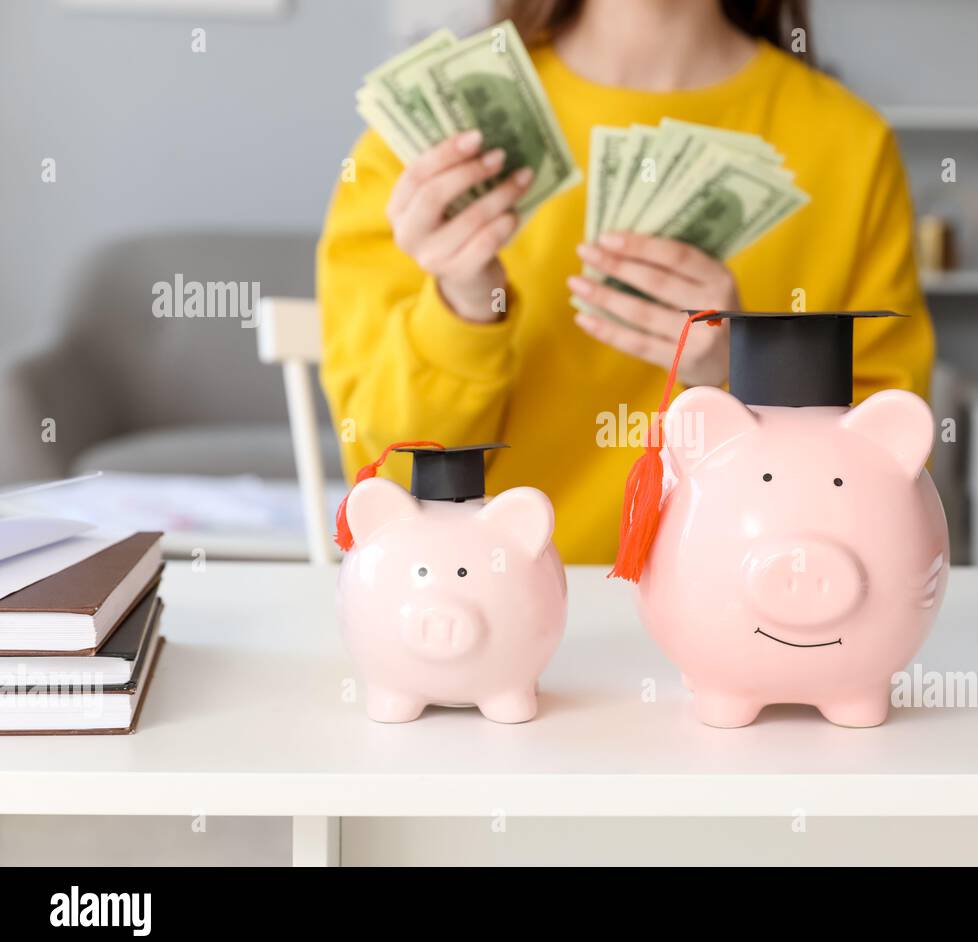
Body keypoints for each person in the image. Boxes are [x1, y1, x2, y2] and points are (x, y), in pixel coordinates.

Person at [318, 0, 933, 563]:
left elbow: (885, 478)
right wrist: (466, 304)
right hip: (490, 609)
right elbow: (387, 480)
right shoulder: (420, 156)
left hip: (747, 612)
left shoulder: (850, 146)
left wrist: (738, 375)